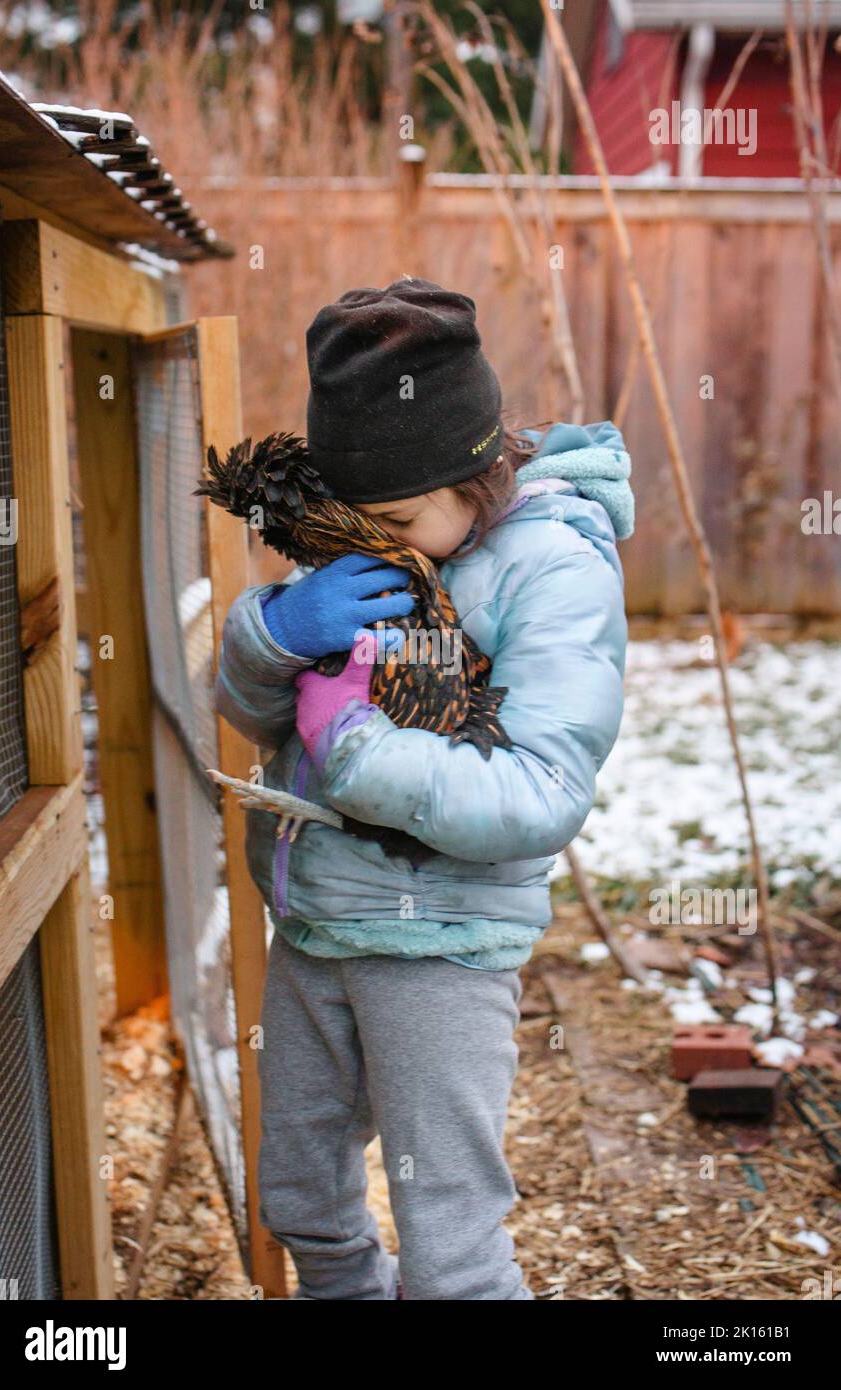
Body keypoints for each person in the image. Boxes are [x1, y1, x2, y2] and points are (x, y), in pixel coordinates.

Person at [214, 276, 634, 1300]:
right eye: (353, 520)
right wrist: (272, 635)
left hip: (441, 945)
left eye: (395, 516)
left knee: (449, 1244)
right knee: (302, 1199)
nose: (376, 540)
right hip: (316, 923)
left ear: (471, 480)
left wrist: (354, 749)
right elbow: (253, 712)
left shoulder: (553, 571)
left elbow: (539, 792)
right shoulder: (371, 544)